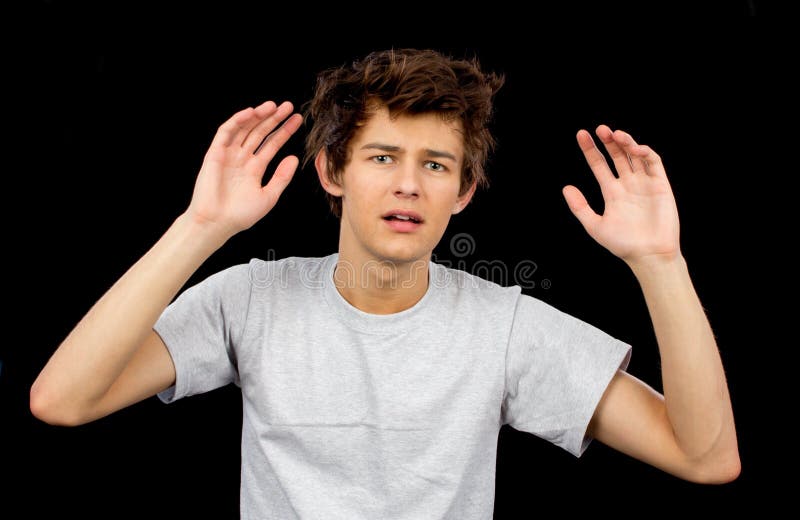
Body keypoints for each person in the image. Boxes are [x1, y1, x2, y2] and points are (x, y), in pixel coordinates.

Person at [30, 48, 740, 519]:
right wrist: (201, 226)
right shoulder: (248, 299)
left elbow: (705, 458)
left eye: (436, 164)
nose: (408, 183)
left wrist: (661, 265)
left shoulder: (505, 327)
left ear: (463, 191)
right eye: (382, 155)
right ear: (333, 172)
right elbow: (63, 400)